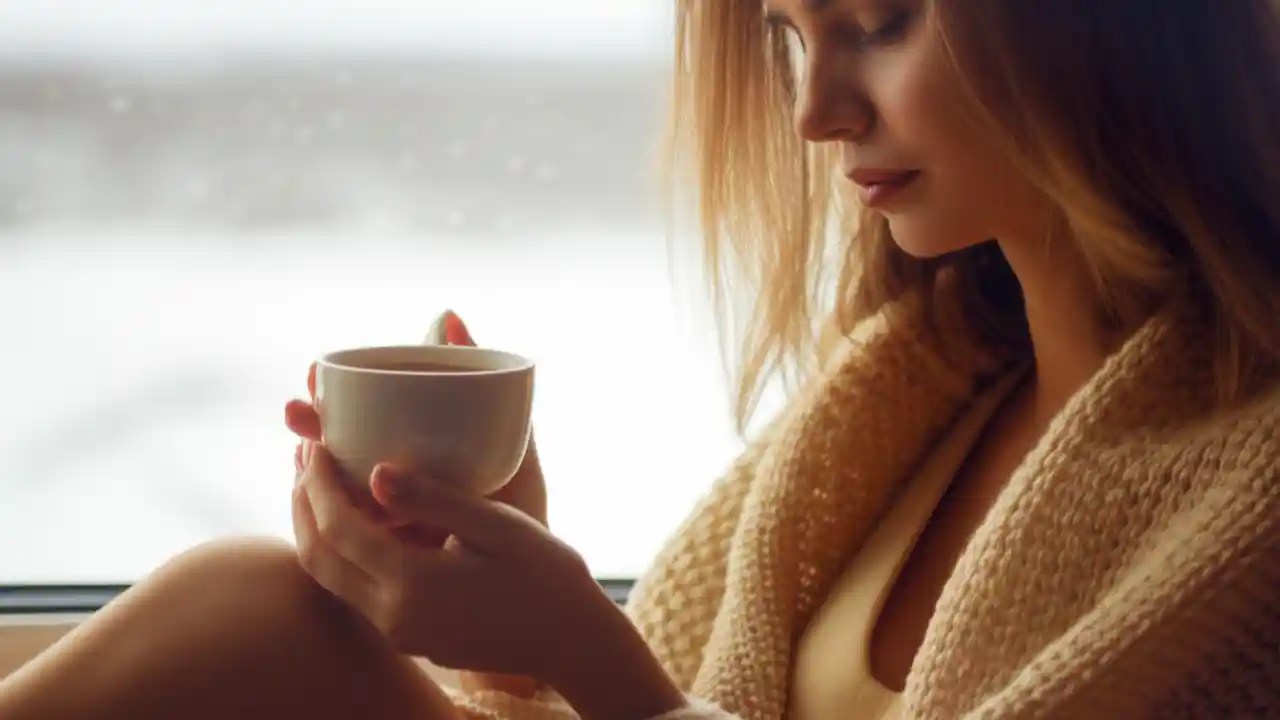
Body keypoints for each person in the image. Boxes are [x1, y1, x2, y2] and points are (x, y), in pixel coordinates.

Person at [1, 0, 1277, 717]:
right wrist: (505, 646)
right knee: (259, 604)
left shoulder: (1244, 495)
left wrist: (591, 659)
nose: (814, 112)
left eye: (879, 24)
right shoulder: (910, 392)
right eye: (791, 35)